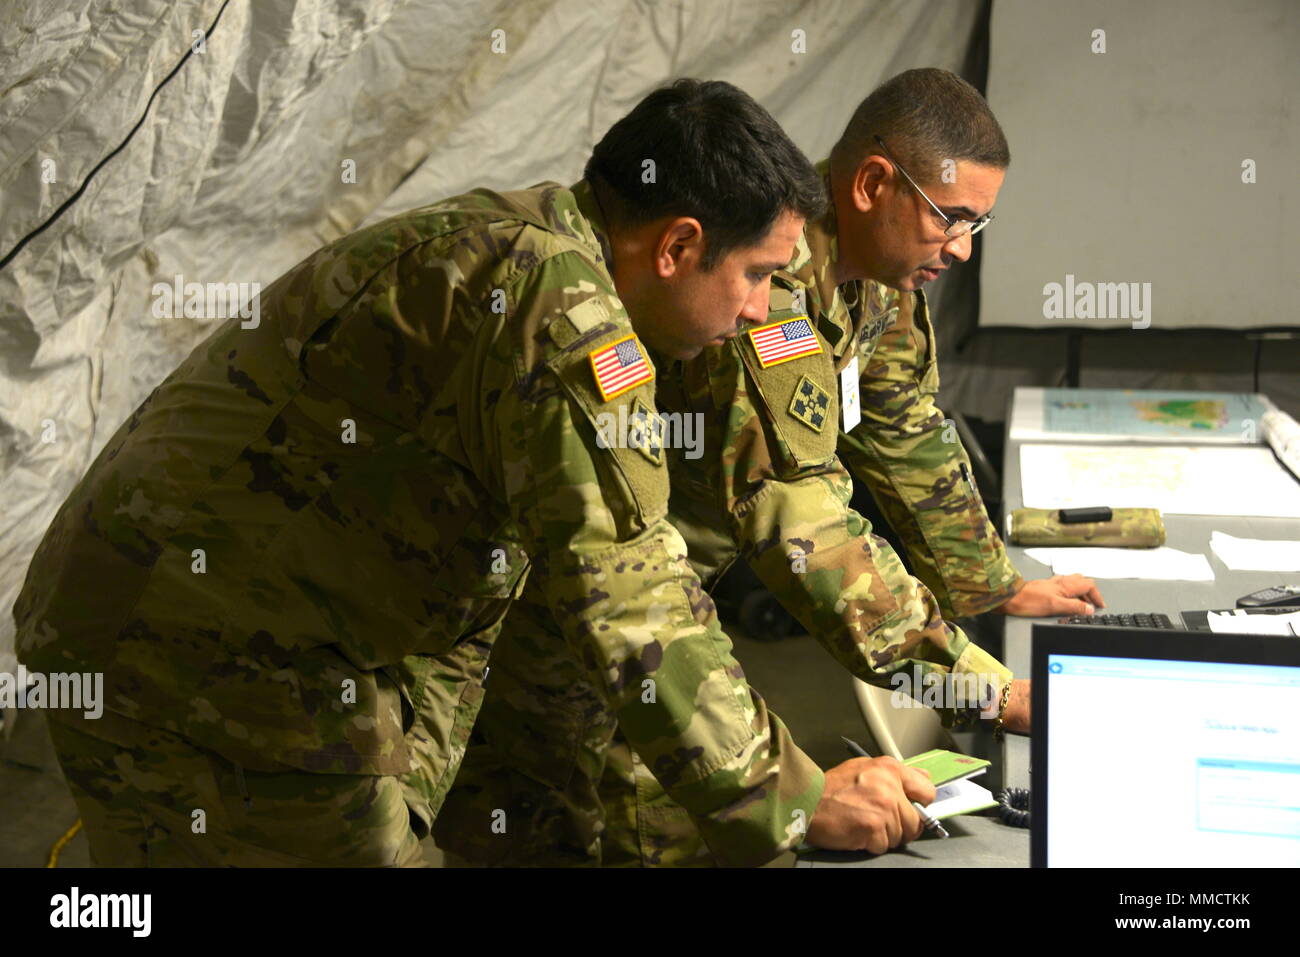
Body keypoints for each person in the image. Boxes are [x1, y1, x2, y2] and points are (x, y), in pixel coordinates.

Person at [12, 79, 934, 867]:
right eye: (761, 275)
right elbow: (629, 594)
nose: (765, 308)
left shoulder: (542, 248)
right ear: (678, 245)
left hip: (254, 628)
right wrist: (795, 793)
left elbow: (496, 590)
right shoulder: (558, 310)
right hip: (182, 643)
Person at [434, 68, 1104, 867]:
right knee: (584, 812)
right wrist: (980, 690)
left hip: (649, 591)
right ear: (873, 185)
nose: (961, 247)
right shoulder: (764, 286)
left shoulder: (879, 281)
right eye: (952, 218)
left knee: (635, 804)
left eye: (978, 226)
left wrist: (989, 582)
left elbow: (906, 431)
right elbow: (802, 525)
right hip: (597, 593)